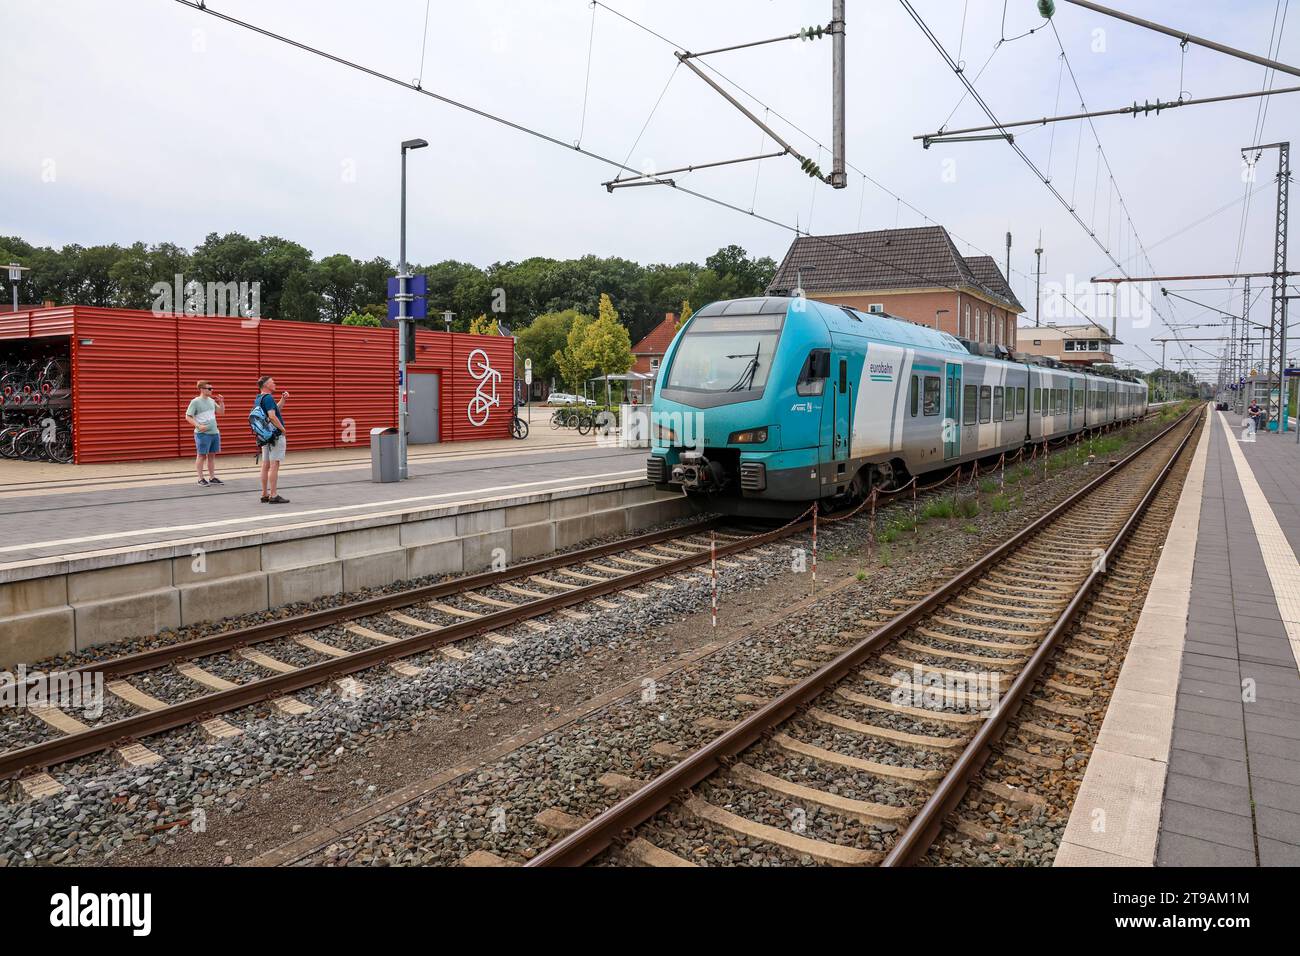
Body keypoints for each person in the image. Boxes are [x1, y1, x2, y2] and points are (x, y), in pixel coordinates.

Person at [256, 375, 290, 503]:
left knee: (265, 465)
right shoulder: (268, 397)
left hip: (265, 436)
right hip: (275, 436)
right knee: (274, 464)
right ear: (266, 385)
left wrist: (283, 399)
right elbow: (272, 416)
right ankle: (274, 495)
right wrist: (282, 429)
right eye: (272, 382)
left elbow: (275, 410)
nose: (274, 384)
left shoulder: (259, 398)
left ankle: (264, 494)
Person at [185, 380, 225, 486]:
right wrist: (198, 425)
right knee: (201, 455)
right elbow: (188, 416)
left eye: (212, 388)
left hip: (214, 432)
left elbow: (221, 412)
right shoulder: (195, 402)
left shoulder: (211, 401)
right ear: (202, 389)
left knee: (212, 456)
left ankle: (212, 477)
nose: (212, 390)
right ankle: (200, 478)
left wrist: (221, 402)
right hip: (202, 434)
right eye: (209, 388)